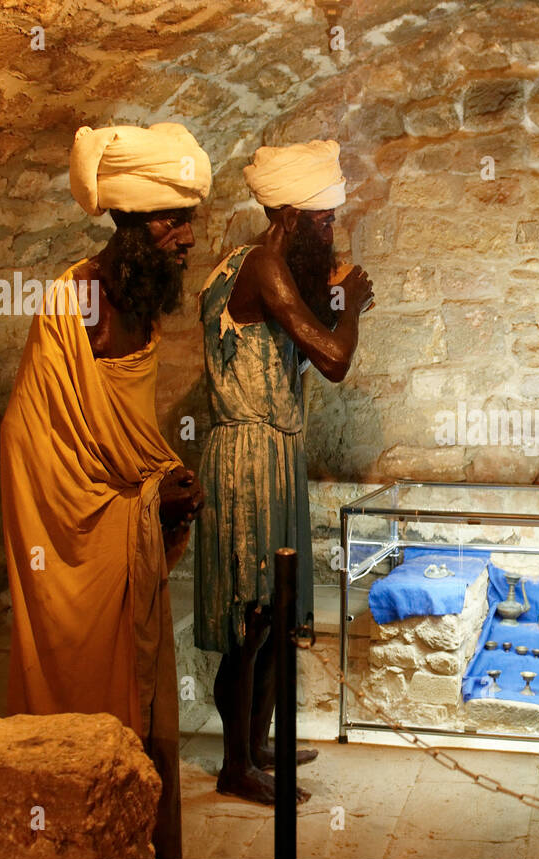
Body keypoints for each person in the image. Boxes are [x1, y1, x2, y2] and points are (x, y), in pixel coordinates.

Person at [0, 122, 210, 859]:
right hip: (72, 538)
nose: (187, 237)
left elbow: (123, 431)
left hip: (122, 521)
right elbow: (43, 455)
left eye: (189, 219)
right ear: (128, 222)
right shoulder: (79, 303)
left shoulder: (138, 295)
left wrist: (159, 479)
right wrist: (146, 504)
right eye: (171, 221)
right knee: (85, 699)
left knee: (143, 701)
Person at [194, 140, 371, 805]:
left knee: (273, 609)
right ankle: (235, 765)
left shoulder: (261, 267)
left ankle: (257, 742)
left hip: (274, 451)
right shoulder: (263, 265)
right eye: (324, 220)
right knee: (251, 616)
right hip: (248, 456)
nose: (331, 231)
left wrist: (340, 305)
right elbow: (333, 360)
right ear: (291, 217)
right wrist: (347, 309)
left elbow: (295, 345)